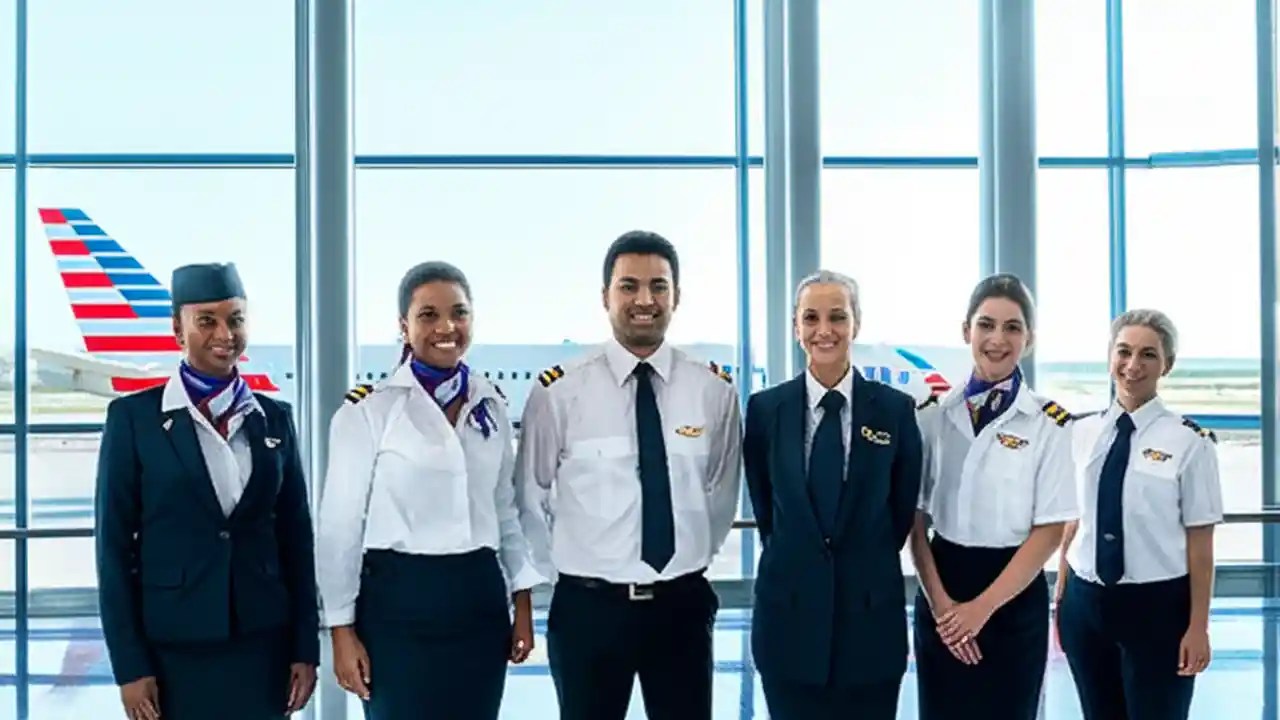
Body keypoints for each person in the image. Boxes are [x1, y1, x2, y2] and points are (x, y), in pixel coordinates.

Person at [515, 230, 742, 720]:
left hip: (681, 605)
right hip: (589, 611)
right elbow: (529, 495)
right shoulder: (560, 392)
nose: (645, 300)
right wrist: (569, 575)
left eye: (659, 286)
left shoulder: (713, 389)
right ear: (606, 297)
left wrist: (691, 555)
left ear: (676, 296)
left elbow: (721, 492)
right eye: (629, 286)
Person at [315, 261, 543, 719]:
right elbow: (340, 527)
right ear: (404, 326)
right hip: (397, 607)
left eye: (459, 313)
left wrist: (522, 601)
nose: (446, 327)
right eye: (428, 315)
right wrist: (340, 629)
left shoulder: (491, 404)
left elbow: (506, 512)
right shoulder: (370, 412)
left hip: (478, 602)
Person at [94, 262, 319, 720]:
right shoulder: (135, 420)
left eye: (235, 319)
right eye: (207, 321)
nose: (225, 333)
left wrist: (304, 647)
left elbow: (297, 539)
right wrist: (129, 666)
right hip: (172, 649)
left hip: (262, 646)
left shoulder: (274, 419)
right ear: (179, 329)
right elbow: (113, 551)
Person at [742, 270, 922, 719]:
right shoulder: (766, 411)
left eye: (837, 317)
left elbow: (899, 511)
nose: (825, 330)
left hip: (870, 628)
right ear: (796, 327)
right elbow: (767, 509)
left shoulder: (895, 410)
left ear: (856, 323)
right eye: (811, 318)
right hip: (789, 624)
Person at [909, 273, 1078, 719]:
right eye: (986, 325)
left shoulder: (1050, 423)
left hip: (1011, 594)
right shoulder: (932, 417)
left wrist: (980, 610)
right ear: (966, 331)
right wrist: (944, 607)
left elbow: (1050, 531)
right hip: (941, 589)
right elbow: (916, 520)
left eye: (1012, 327)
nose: (997, 339)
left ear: (1030, 339)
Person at [1055, 308, 1221, 719]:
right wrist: (1061, 596)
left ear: (1167, 364)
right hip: (1085, 605)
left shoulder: (1190, 442)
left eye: (1148, 354)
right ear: (1110, 355)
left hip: (1158, 611)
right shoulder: (1079, 432)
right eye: (1123, 351)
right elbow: (1072, 522)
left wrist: (1198, 626)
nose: (1133, 365)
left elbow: (1200, 545)